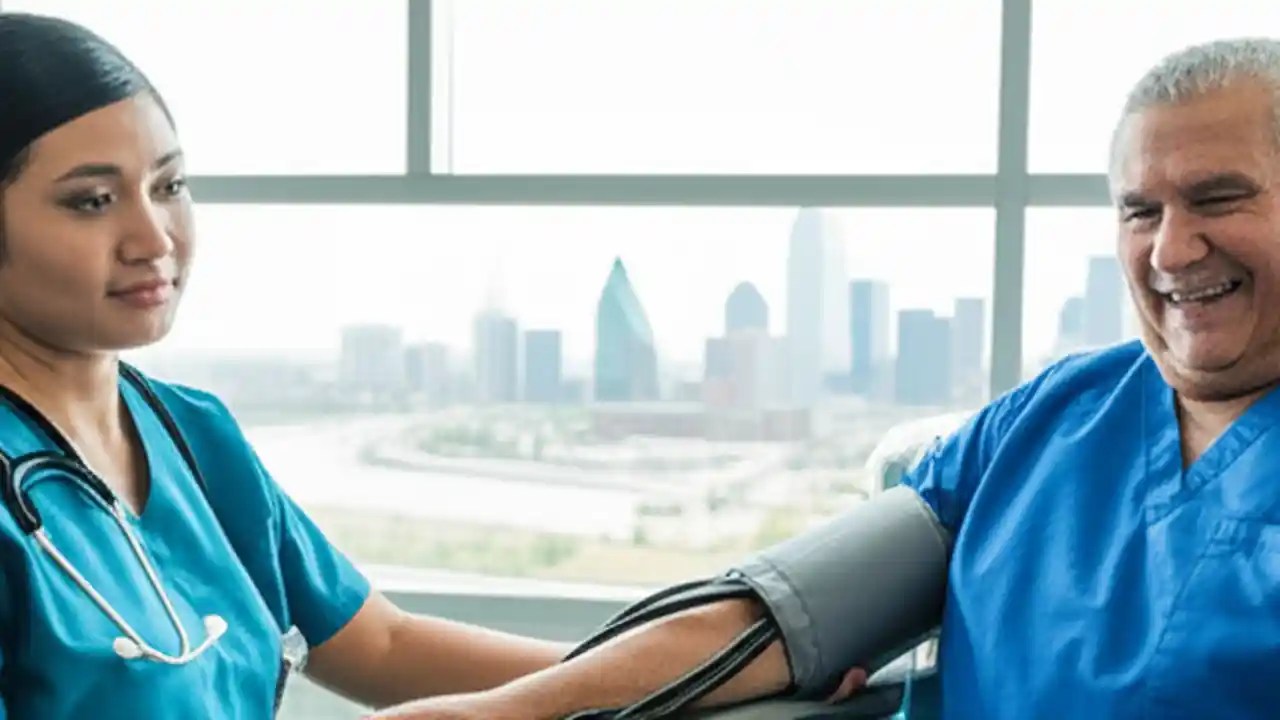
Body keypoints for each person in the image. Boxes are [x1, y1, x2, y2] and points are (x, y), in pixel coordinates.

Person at [369, 36, 1280, 720]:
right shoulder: (1052, 420)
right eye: (1138, 210)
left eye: (1218, 199)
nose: (1168, 248)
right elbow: (776, 619)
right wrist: (506, 710)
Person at [0, 12, 583, 718]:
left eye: (170, 186)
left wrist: (668, 671)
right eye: (92, 201)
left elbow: (384, 646)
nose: (153, 238)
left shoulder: (192, 433)